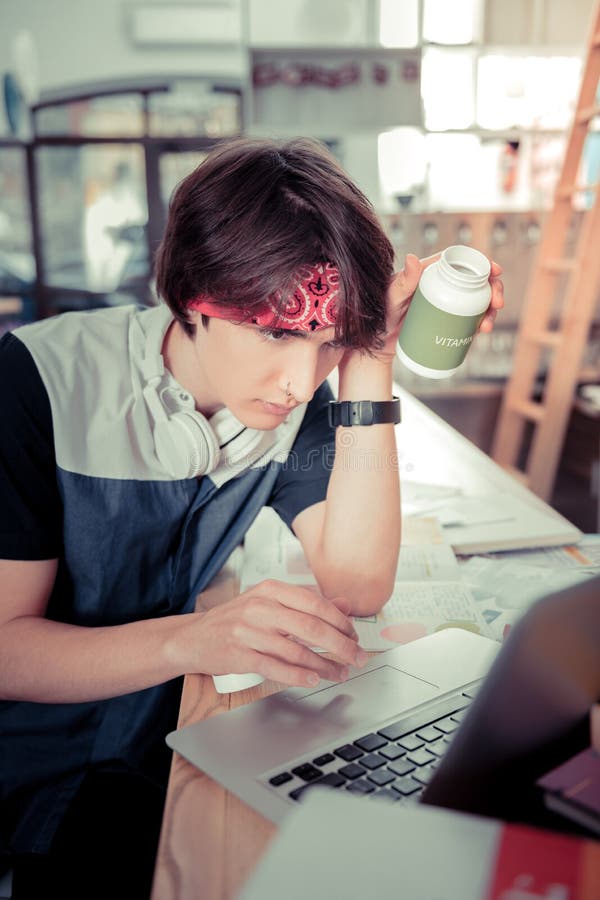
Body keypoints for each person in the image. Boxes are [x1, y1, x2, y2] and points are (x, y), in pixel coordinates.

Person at [0, 137, 503, 898]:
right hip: (32, 767)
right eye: (277, 333)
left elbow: (359, 582)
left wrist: (369, 357)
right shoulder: (37, 385)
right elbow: (6, 651)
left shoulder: (289, 408)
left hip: (159, 740)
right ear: (194, 294)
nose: (302, 382)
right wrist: (197, 637)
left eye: (327, 342)